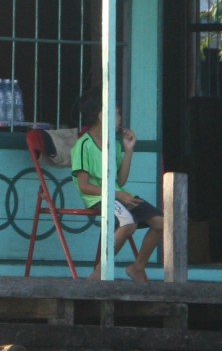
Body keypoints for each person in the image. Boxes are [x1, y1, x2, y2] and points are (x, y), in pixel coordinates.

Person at [70, 90, 164, 281]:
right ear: (101, 115)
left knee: (161, 223)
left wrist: (129, 150)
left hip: (118, 195)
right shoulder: (83, 145)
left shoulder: (113, 144)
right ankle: (99, 270)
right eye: (117, 113)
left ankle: (138, 267)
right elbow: (84, 186)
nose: (120, 118)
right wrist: (117, 195)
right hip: (98, 197)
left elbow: (120, 182)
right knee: (128, 223)